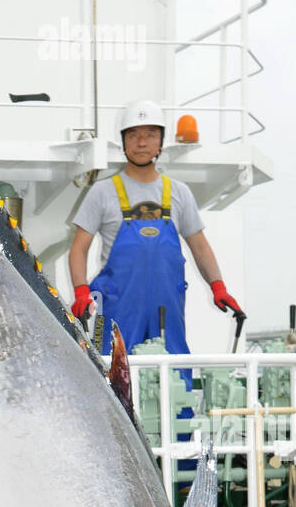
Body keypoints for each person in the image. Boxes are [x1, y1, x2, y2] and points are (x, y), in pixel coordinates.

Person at [68, 100, 244, 383]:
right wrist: (80, 291)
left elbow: (199, 246)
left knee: (175, 378)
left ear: (161, 141)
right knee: (111, 377)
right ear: (123, 141)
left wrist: (218, 286)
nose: (141, 142)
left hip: (167, 307)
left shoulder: (179, 192)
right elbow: (79, 248)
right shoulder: (102, 192)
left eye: (150, 134)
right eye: (133, 135)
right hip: (117, 307)